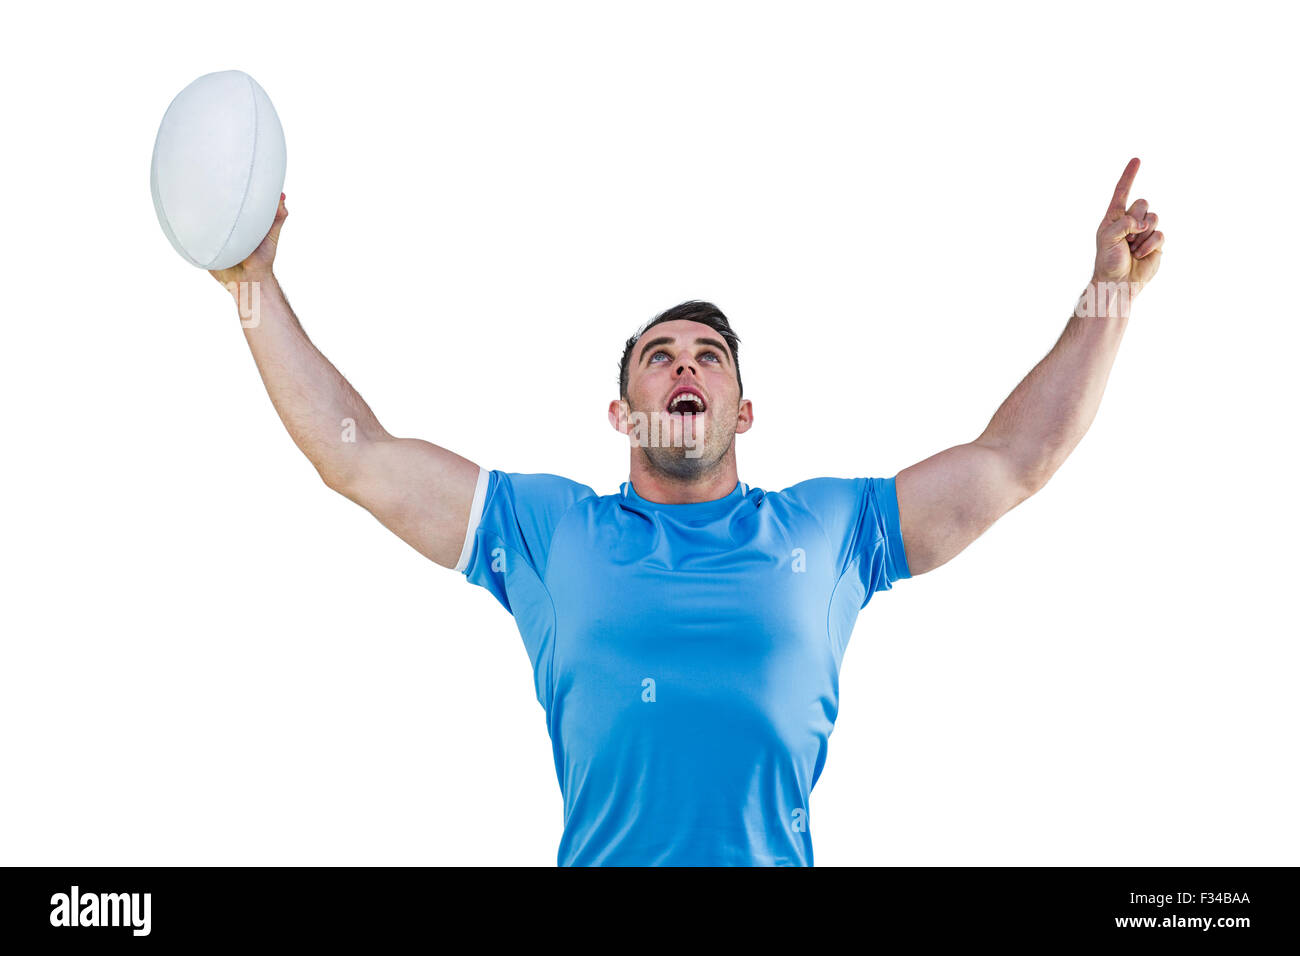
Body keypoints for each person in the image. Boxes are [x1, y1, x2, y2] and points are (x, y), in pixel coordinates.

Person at [208, 159, 1164, 866]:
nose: (684, 366)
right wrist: (255, 290)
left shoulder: (830, 532)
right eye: (659, 356)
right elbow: (358, 457)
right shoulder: (547, 532)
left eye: (708, 355)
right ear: (623, 414)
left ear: (743, 411)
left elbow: (1016, 458)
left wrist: (1109, 294)